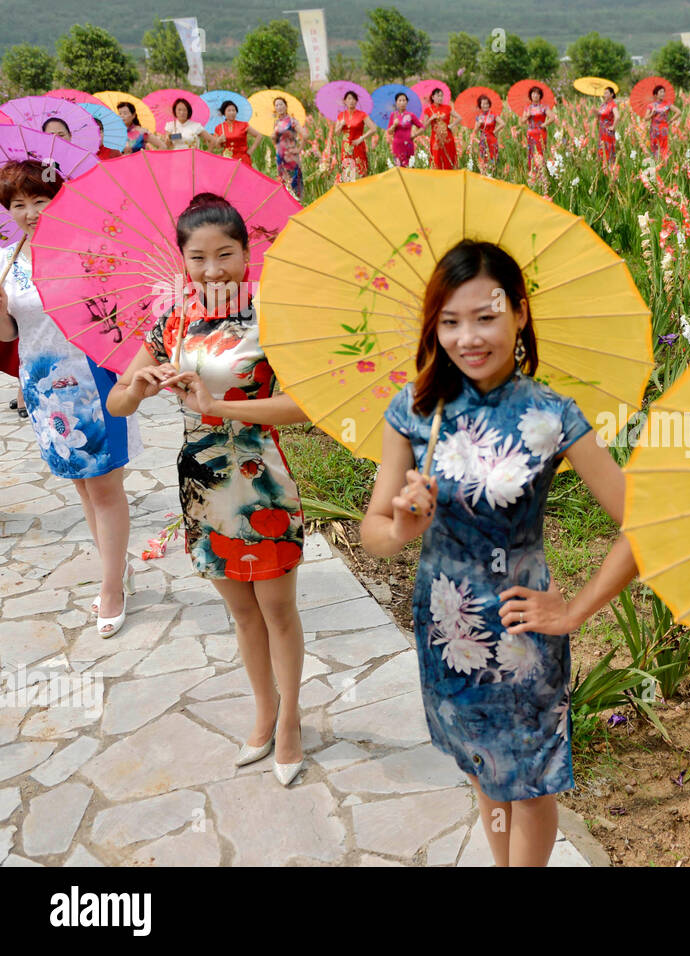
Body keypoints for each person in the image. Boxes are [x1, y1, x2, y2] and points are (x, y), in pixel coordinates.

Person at [359, 239, 638, 866]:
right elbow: (373, 533)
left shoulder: (551, 416)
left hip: (519, 633)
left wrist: (572, 612)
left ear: (518, 313)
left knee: (531, 781)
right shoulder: (416, 410)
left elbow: (643, 524)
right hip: (445, 626)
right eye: (450, 322)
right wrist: (404, 524)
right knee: (482, 768)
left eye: (485, 317)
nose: (468, 338)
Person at [106, 193, 310, 786]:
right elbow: (117, 401)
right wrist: (139, 384)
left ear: (248, 253)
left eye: (226, 254)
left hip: (259, 478)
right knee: (241, 613)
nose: (213, 269)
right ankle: (263, 712)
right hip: (200, 480)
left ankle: (292, 720)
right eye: (198, 257)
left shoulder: (271, 313)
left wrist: (217, 403)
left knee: (277, 611)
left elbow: (302, 404)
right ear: (182, 260)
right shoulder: (171, 318)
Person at [0, 159, 141, 637]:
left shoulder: (88, 251)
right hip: (41, 384)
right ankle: (114, 567)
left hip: (90, 378)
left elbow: (118, 311)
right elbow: (9, 333)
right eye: (18, 204)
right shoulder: (6, 260)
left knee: (103, 486)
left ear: (58, 201)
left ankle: (111, 588)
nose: (30, 212)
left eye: (40, 200)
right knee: (82, 485)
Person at [335, 89, 378, 181]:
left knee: (361, 172)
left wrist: (361, 138)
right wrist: (341, 125)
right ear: (345, 101)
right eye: (349, 98)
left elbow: (373, 129)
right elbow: (337, 133)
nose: (351, 101)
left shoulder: (362, 114)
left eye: (354, 99)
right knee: (348, 175)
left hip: (358, 146)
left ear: (357, 101)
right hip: (346, 148)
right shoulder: (341, 116)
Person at [271, 97, 303, 200]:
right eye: (277, 105)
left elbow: (305, 135)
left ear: (286, 106)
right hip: (280, 157)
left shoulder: (292, 121)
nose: (279, 107)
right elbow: (275, 140)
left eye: (281, 104)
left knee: (294, 180)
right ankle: (286, 205)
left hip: (291, 156)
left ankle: (298, 204)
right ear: (275, 108)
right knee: (283, 181)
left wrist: (298, 149)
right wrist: (275, 145)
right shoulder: (276, 123)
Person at [213, 100, 261, 168]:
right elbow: (218, 147)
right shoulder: (219, 127)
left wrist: (251, 150)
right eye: (229, 110)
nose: (232, 112)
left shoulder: (243, 125)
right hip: (227, 159)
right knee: (229, 178)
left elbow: (259, 135)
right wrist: (219, 140)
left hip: (243, 158)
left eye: (234, 110)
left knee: (244, 177)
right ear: (224, 112)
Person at [387, 91, 425, 168]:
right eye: (400, 100)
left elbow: (422, 127)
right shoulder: (393, 115)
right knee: (398, 167)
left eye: (404, 100)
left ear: (407, 102)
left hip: (408, 144)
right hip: (397, 145)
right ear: (396, 103)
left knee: (409, 166)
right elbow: (389, 132)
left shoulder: (411, 115)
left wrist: (414, 135)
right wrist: (394, 125)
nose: (402, 103)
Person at [420, 89, 455, 170]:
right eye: (438, 96)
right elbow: (424, 127)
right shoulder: (428, 110)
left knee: (448, 159)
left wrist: (451, 125)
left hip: (448, 138)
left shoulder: (447, 108)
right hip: (436, 139)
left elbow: (459, 118)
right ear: (433, 97)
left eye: (441, 96)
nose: (440, 98)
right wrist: (431, 119)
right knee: (436, 159)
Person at [522, 85, 553, 173]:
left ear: (540, 96)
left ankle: (542, 173)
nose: (535, 95)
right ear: (530, 95)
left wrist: (545, 124)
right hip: (531, 133)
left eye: (537, 94)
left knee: (541, 151)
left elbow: (552, 117)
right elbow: (522, 121)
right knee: (531, 152)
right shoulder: (527, 108)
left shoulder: (544, 107)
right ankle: (532, 172)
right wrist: (527, 116)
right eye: (533, 93)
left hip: (541, 132)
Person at [645, 84, 680, 162]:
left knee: (664, 147)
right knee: (654, 147)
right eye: (660, 92)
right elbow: (646, 118)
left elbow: (678, 112)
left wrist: (670, 121)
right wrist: (652, 114)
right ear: (655, 94)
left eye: (664, 92)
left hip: (663, 128)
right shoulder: (650, 106)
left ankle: (664, 165)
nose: (663, 94)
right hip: (654, 129)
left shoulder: (667, 104)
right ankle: (656, 164)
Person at [472, 94, 500, 172]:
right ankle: (484, 173)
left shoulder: (493, 114)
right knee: (484, 159)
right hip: (483, 140)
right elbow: (475, 131)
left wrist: (495, 131)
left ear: (489, 104)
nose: (485, 105)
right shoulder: (479, 117)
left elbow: (503, 123)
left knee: (493, 158)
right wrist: (479, 124)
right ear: (480, 105)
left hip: (492, 139)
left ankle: (494, 173)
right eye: (483, 104)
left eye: (487, 103)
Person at [597, 87, 619, 166]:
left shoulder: (613, 105)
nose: (604, 95)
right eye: (604, 93)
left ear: (612, 94)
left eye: (606, 93)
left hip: (608, 131)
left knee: (608, 149)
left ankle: (610, 168)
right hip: (601, 131)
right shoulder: (603, 105)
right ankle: (602, 168)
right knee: (601, 149)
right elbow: (600, 116)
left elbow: (617, 116)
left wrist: (613, 126)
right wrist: (595, 111)